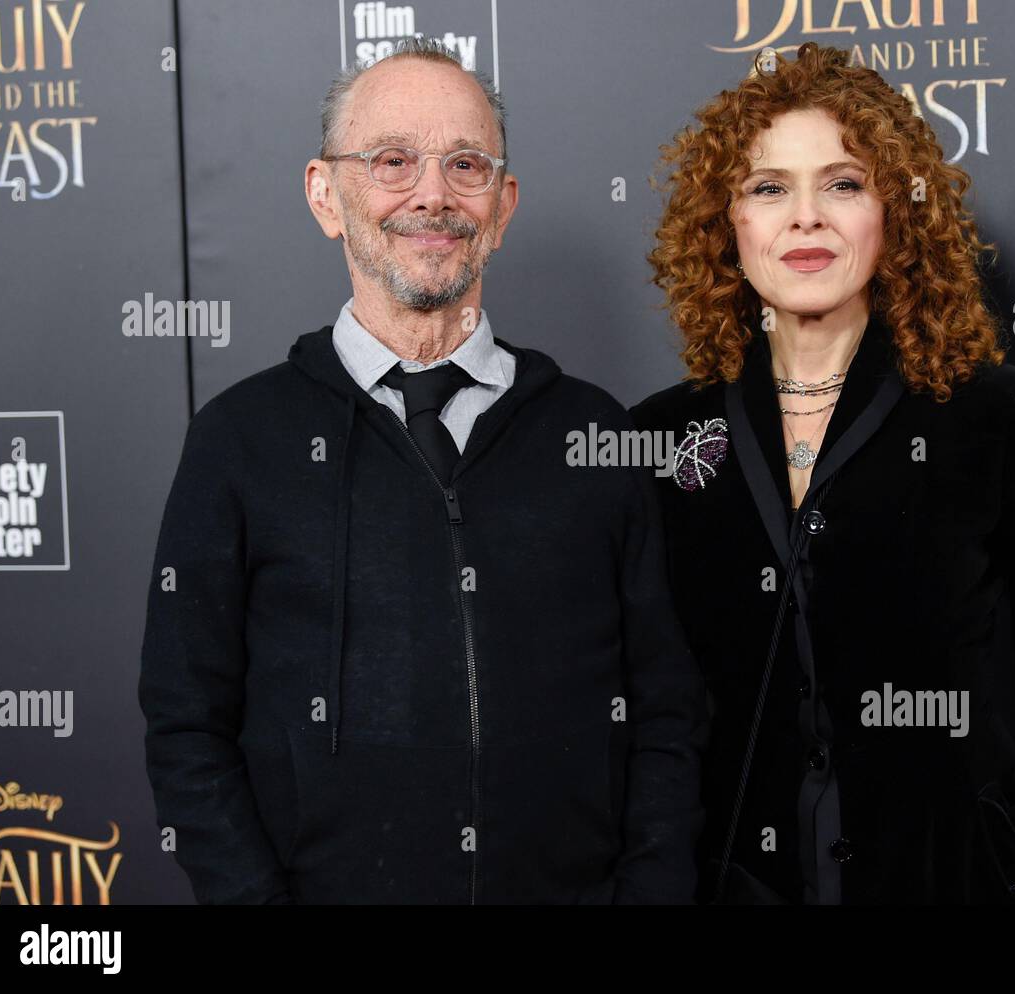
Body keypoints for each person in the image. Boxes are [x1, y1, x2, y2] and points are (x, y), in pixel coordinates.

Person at [138, 39, 705, 905]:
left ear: (503, 205)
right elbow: (187, 726)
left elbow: (666, 708)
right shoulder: (238, 442)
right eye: (392, 160)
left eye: (465, 163)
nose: (432, 193)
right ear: (326, 195)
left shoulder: (593, 435)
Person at [631, 43, 1015, 905]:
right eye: (768, 188)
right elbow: (640, 702)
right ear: (727, 224)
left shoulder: (996, 416)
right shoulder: (660, 435)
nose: (805, 219)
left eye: (842, 183)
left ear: (896, 212)